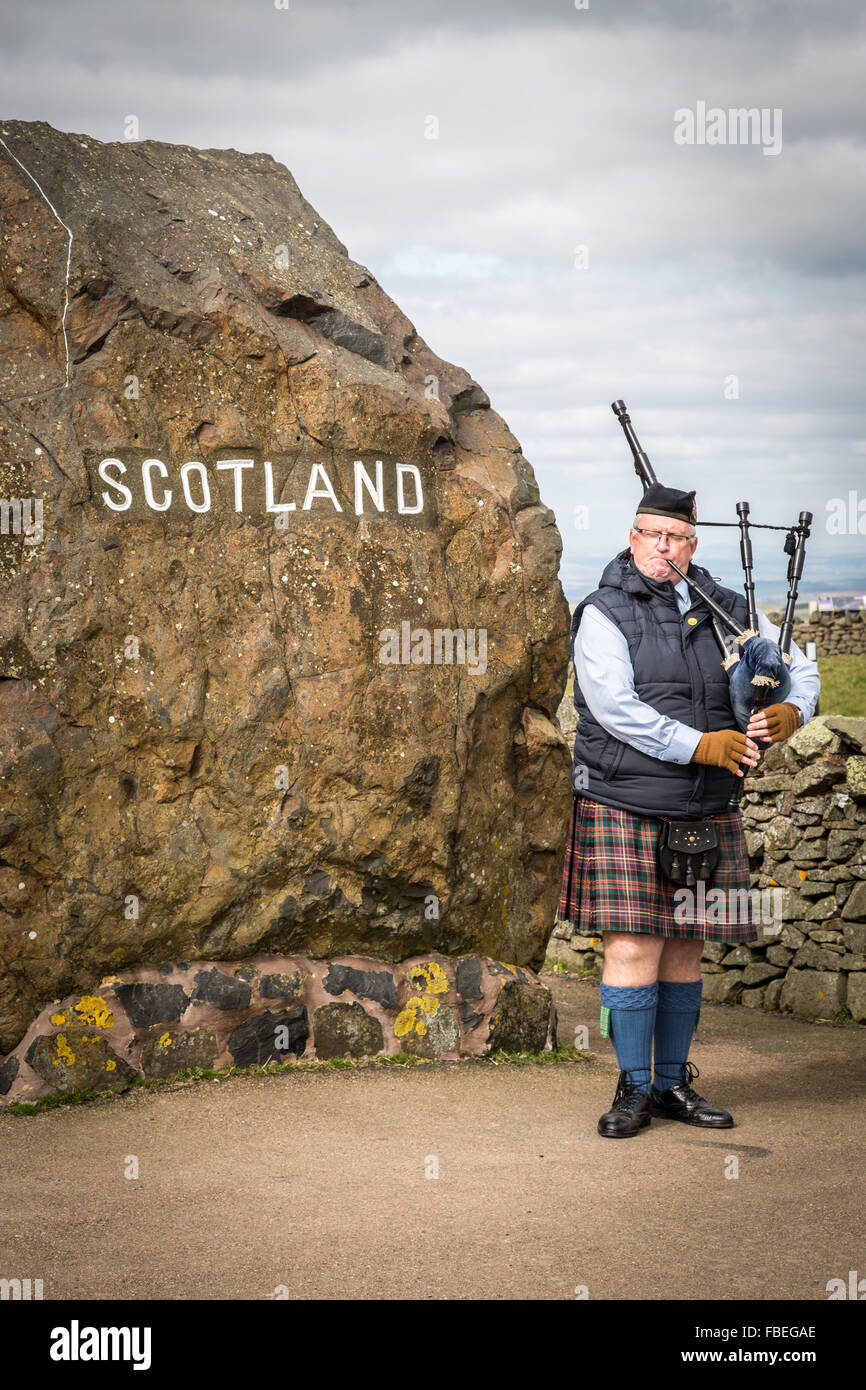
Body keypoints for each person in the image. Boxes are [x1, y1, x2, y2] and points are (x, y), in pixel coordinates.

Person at [558, 482, 820, 1138]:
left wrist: (792, 710)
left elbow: (797, 666)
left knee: (683, 951)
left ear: (693, 543)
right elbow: (616, 708)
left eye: (675, 537)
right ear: (633, 537)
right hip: (625, 801)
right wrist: (703, 744)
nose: (663, 547)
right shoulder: (603, 612)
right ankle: (633, 1089)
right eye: (651, 534)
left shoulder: (729, 608)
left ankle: (672, 1085)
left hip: (705, 808)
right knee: (632, 947)